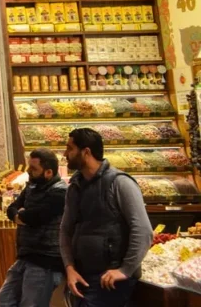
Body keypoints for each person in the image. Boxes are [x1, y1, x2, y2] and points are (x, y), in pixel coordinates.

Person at [60, 128, 150, 307]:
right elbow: (65, 230)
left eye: (70, 148)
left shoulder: (120, 183)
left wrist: (125, 270)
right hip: (81, 276)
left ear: (86, 152)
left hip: (109, 280)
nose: (65, 154)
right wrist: (69, 267)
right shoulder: (75, 187)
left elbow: (143, 230)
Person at [0, 148, 67, 307]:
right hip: (26, 256)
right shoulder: (31, 187)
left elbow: (35, 217)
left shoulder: (59, 193)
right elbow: (12, 208)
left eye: (33, 168)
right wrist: (19, 215)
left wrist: (22, 214)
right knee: (3, 300)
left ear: (48, 172)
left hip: (45, 261)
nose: (28, 171)